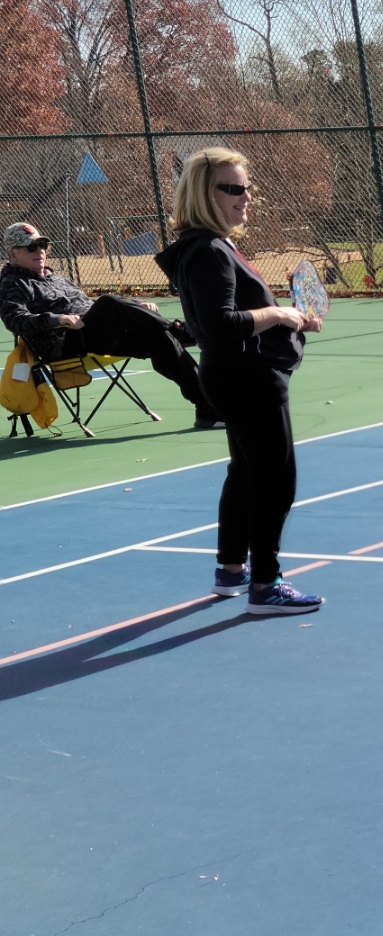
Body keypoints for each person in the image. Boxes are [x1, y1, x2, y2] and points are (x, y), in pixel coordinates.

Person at [154, 147, 324, 617]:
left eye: (247, 187)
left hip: (236, 376)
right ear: (205, 194)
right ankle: (266, 583)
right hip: (249, 380)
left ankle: (232, 570)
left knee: (246, 473)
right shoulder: (208, 250)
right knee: (275, 478)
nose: (245, 197)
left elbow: (220, 322)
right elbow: (219, 326)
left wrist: (289, 321)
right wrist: (277, 313)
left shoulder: (207, 245)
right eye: (233, 188)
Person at [0, 221, 215, 429]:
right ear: (13, 254)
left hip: (96, 333)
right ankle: (180, 330)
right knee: (109, 302)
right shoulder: (12, 283)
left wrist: (137, 307)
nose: (40, 251)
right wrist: (58, 319)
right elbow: (15, 320)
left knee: (159, 340)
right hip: (64, 342)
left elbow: (87, 306)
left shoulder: (55, 277)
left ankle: (208, 410)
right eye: (31, 247)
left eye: (43, 245)